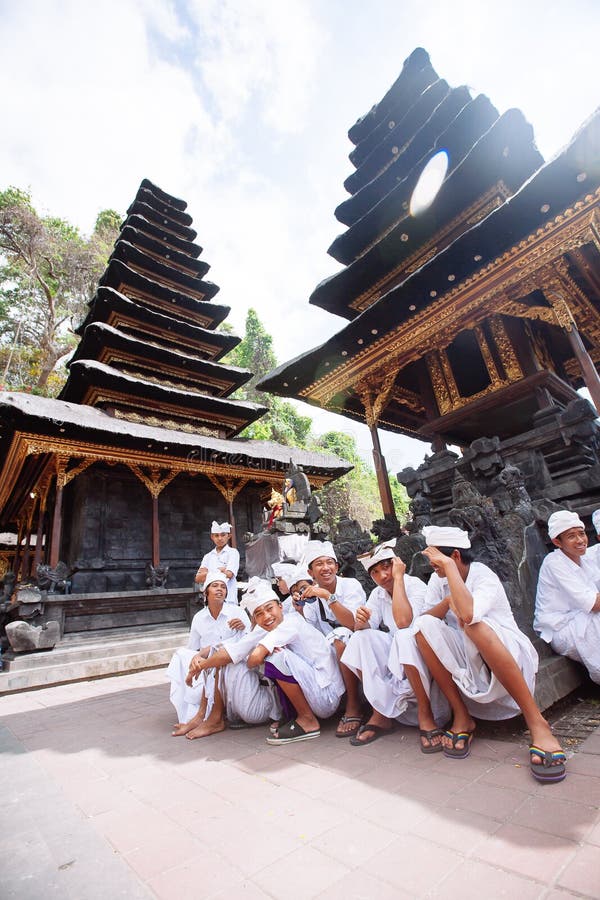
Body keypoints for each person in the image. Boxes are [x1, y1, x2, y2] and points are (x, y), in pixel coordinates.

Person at [403, 526, 566, 783]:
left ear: (455, 556)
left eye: (437, 563)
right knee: (422, 629)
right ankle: (462, 716)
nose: (434, 570)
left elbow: (469, 614)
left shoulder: (482, 575)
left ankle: (537, 723)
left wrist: (449, 570)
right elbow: (422, 618)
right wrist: (446, 601)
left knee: (474, 624)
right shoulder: (438, 580)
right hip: (467, 655)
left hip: (503, 649)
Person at [186, 580, 344, 744]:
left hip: (327, 697)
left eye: (270, 609)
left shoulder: (291, 623)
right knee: (262, 656)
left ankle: (307, 720)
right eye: (259, 614)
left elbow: (254, 658)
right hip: (313, 690)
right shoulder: (267, 627)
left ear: (281, 607)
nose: (266, 617)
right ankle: (214, 717)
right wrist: (200, 665)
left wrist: (261, 653)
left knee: (276, 657)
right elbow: (236, 650)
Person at [341, 541, 442, 746]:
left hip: (422, 658)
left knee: (404, 636)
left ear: (396, 565)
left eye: (386, 567)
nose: (382, 576)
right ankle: (380, 713)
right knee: (360, 639)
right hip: (400, 657)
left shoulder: (414, 585)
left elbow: (404, 623)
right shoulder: (377, 594)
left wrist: (398, 580)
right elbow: (365, 626)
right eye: (375, 572)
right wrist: (360, 621)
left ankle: (426, 712)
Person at [299, 540, 366, 737]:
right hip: (329, 651)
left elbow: (352, 624)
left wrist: (328, 597)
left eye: (329, 563)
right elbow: (311, 634)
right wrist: (300, 610)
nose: (325, 568)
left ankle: (353, 705)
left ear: (337, 567)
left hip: (356, 643)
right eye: (319, 564)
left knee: (341, 637)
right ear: (311, 572)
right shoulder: (310, 598)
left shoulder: (351, 585)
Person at [167, 572, 249, 735]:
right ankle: (192, 714)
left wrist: (243, 628)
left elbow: (249, 640)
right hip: (205, 668)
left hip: (229, 666)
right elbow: (193, 649)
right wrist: (197, 660)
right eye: (215, 586)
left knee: (218, 658)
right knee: (180, 654)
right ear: (206, 593)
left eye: (223, 587)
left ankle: (203, 716)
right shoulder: (199, 618)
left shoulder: (237, 612)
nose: (220, 589)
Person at [535, 509, 600, 684]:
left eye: (582, 533)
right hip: (562, 628)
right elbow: (593, 603)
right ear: (557, 542)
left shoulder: (584, 558)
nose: (580, 540)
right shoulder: (554, 563)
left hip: (584, 617)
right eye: (571, 536)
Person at [195, 521, 240, 604]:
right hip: (210, 601)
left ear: (229, 536)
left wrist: (208, 573)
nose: (220, 538)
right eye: (216, 535)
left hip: (229, 599)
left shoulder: (233, 553)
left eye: (223, 535)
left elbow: (229, 574)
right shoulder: (208, 556)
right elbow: (198, 578)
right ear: (212, 537)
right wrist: (221, 571)